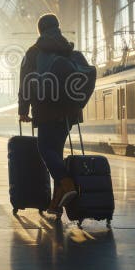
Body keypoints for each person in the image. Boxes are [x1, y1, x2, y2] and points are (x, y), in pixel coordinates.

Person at [18, 13, 82, 214]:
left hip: (46, 110)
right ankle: (56, 204)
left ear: (40, 30)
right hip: (69, 113)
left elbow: (25, 82)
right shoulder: (68, 49)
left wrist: (23, 109)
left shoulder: (34, 52)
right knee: (56, 153)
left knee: (45, 150)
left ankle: (67, 184)